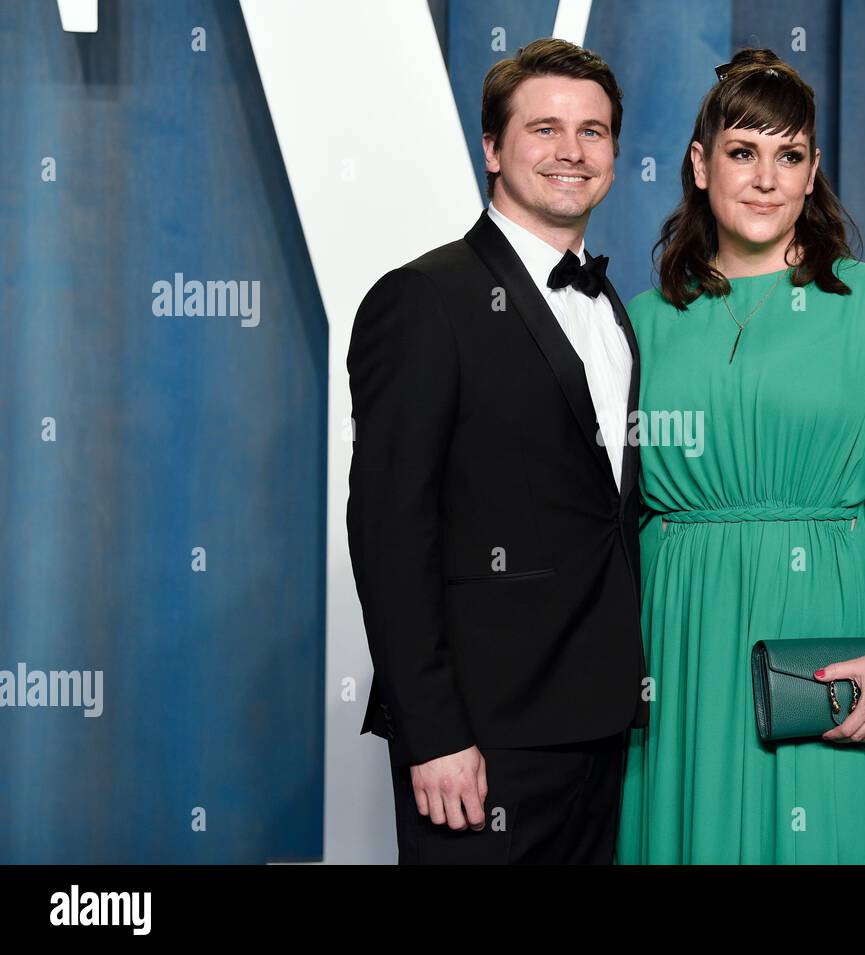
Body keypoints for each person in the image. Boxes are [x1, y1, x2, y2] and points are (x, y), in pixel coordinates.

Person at [616, 49, 865, 864]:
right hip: (679, 647)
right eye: (742, 152)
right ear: (700, 165)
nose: (765, 179)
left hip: (826, 640)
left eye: (789, 156)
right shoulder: (638, 324)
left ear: (813, 174)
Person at [346, 38, 646, 864]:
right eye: (544, 128)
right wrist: (433, 731)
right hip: (479, 736)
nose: (571, 150)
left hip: (601, 727)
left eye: (592, 131)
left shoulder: (613, 309)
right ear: (491, 148)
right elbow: (388, 529)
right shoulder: (423, 298)